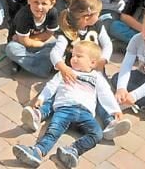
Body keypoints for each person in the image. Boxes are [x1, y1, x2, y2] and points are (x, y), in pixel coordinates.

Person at [13, 40, 126, 168]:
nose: (74, 59)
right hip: (64, 109)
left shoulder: (97, 77)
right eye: (73, 56)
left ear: (93, 62)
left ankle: (73, 150)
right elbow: (51, 85)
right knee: (53, 131)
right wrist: (42, 98)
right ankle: (37, 152)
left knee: (97, 134)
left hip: (86, 114)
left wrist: (115, 110)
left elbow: (106, 94)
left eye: (79, 56)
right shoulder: (65, 72)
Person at [5, 0, 59, 77]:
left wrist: (36, 42)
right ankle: (45, 66)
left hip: (34, 41)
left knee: (57, 44)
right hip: (20, 44)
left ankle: (27, 62)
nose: (39, 7)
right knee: (11, 49)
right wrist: (40, 44)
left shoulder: (53, 13)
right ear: (29, 0)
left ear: (51, 4)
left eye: (44, 3)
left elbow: (49, 34)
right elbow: (23, 41)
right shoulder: (24, 15)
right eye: (36, 2)